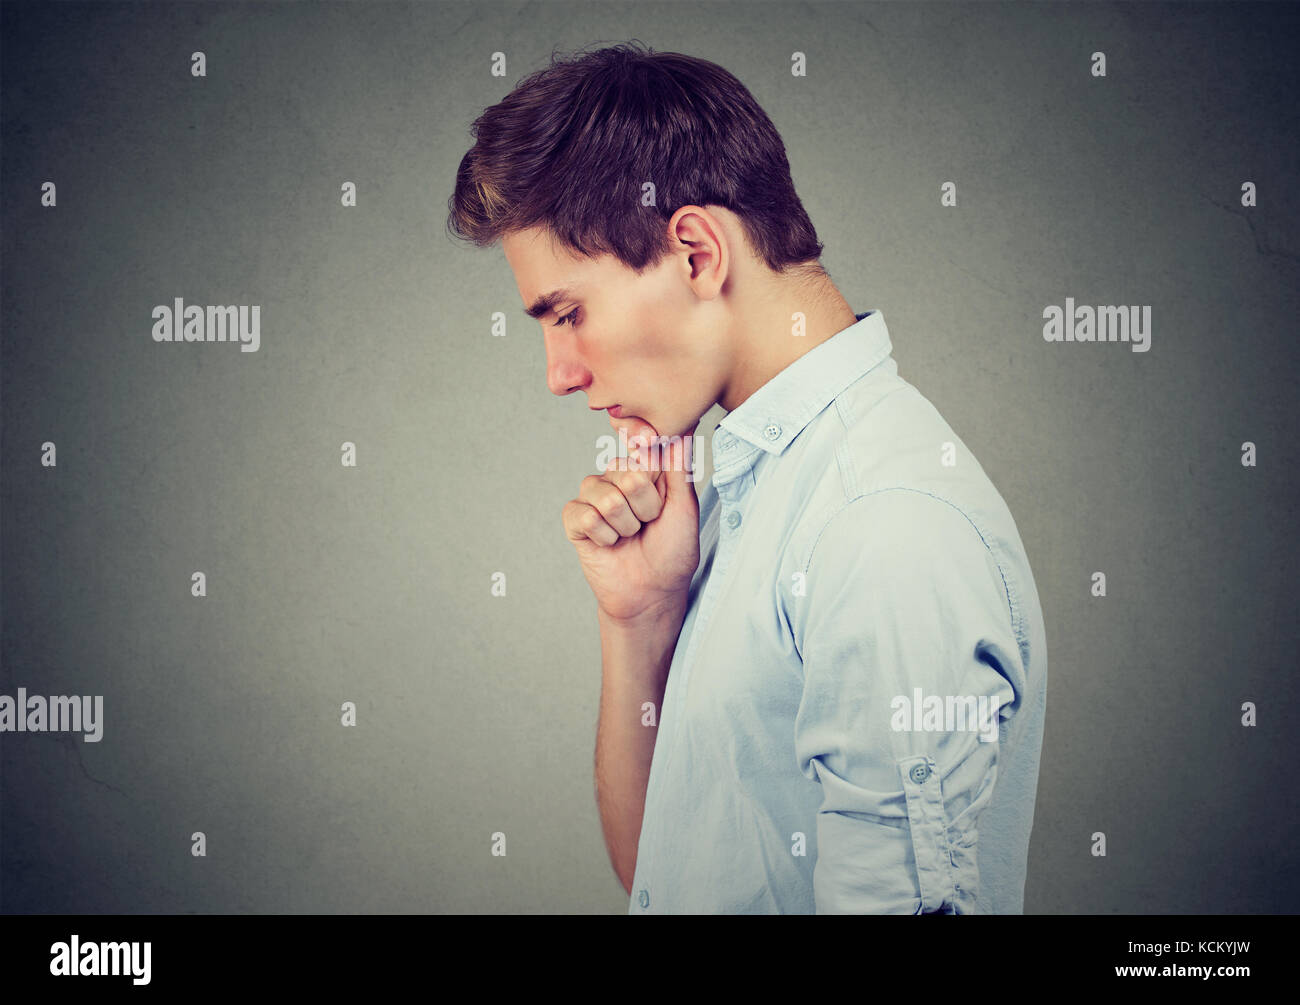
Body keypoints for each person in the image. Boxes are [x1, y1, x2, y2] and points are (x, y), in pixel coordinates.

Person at [446, 42, 1047, 914]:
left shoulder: (881, 524)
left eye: (570, 312)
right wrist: (643, 618)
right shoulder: (754, 487)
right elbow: (663, 870)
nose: (559, 373)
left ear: (695, 252)